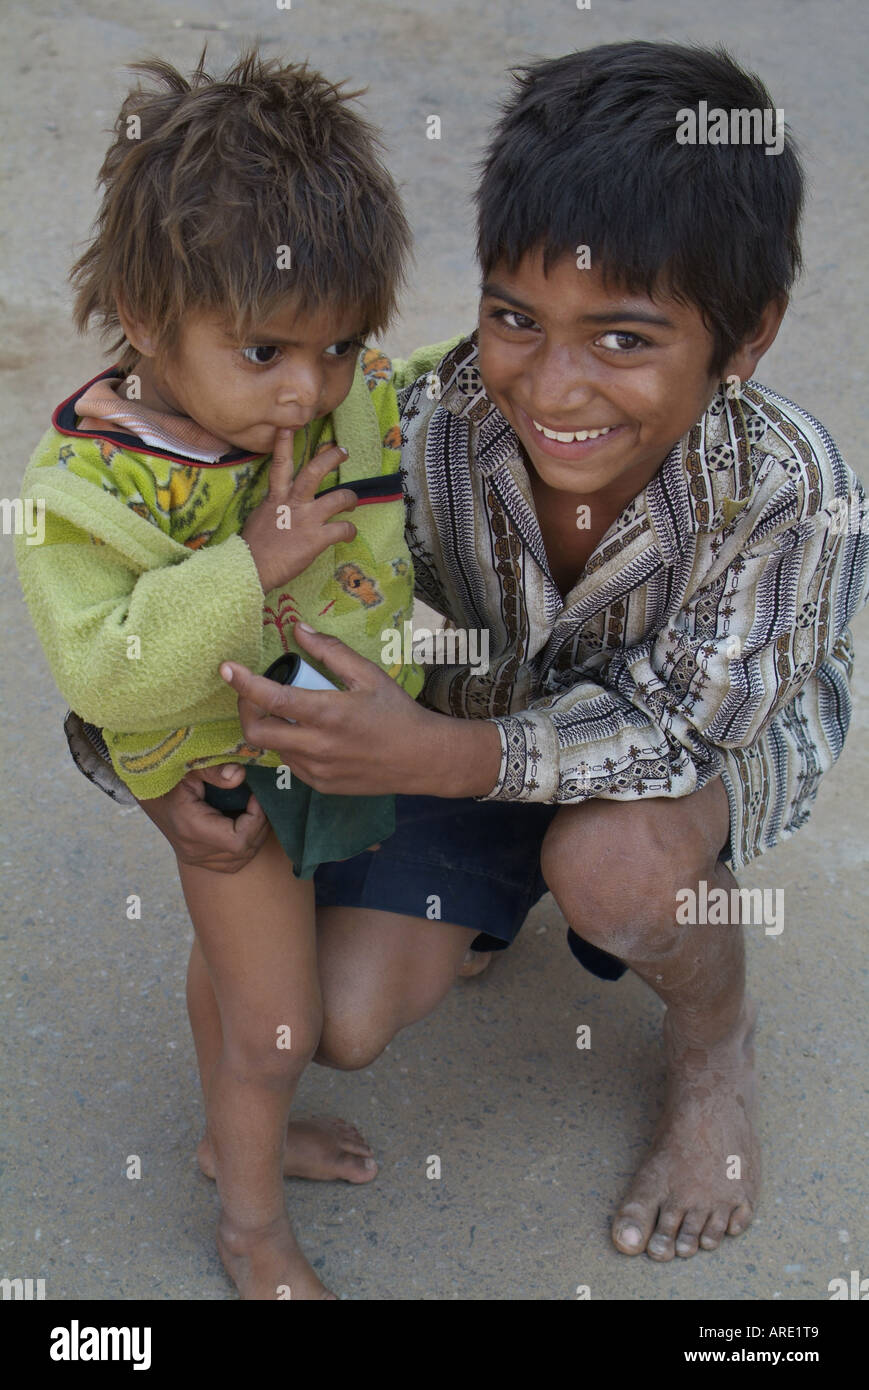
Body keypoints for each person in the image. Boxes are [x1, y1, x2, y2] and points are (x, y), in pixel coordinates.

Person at [48, 42, 868, 1275]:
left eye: (625, 340)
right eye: (512, 319)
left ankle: (711, 1048)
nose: (553, 384)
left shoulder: (790, 490)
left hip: (665, 763)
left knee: (616, 866)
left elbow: (686, 727)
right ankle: (488, 896)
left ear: (744, 337)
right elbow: (178, 604)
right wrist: (158, 772)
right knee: (343, 1022)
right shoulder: (423, 423)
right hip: (465, 731)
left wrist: (440, 752)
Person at [15, 50, 430, 1300]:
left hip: (328, 735)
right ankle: (249, 1224)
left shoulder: (330, 394)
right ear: (144, 321)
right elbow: (104, 670)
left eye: (342, 345)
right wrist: (245, 569)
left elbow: (433, 391)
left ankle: (231, 1132)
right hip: (222, 780)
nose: (311, 391)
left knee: (260, 990)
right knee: (276, 1022)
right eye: (266, 352)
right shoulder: (84, 491)